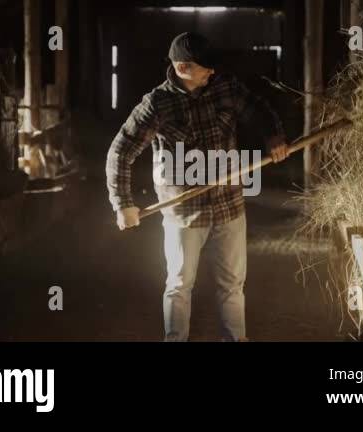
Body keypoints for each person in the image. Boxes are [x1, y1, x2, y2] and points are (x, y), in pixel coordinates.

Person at [106, 32, 288, 341]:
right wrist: (123, 203)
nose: (213, 71)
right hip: (183, 213)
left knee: (232, 285)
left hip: (228, 205)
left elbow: (258, 109)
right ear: (183, 67)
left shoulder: (225, 88)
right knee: (179, 285)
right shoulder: (157, 104)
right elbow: (120, 151)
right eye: (206, 67)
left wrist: (274, 136)